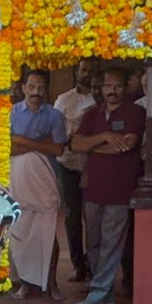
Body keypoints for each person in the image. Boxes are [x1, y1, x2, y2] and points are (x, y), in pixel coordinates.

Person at [69, 67, 146, 304]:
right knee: (94, 242)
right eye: (107, 86)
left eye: (117, 86)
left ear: (126, 88)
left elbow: (126, 146)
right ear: (101, 89)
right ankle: (104, 292)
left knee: (112, 243)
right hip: (93, 188)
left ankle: (97, 294)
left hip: (120, 189)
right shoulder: (93, 114)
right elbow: (76, 144)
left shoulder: (136, 112)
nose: (111, 91)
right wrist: (104, 136)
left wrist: (93, 147)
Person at [7, 69, 67, 301]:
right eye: (31, 87)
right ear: (23, 88)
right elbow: (8, 147)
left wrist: (22, 141)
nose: (36, 92)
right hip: (18, 179)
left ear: (47, 90)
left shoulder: (54, 116)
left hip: (45, 180)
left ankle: (51, 285)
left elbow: (58, 149)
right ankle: (25, 284)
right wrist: (41, 144)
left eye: (41, 88)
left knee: (47, 233)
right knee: (21, 233)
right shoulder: (11, 113)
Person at [54, 58, 101, 283]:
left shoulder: (100, 100)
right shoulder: (63, 100)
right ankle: (78, 265)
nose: (87, 74)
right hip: (69, 164)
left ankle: (95, 266)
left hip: (96, 165)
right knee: (72, 217)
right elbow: (55, 131)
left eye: (91, 71)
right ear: (76, 72)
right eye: (83, 70)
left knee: (93, 217)